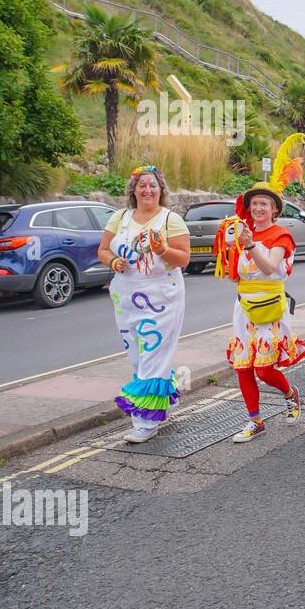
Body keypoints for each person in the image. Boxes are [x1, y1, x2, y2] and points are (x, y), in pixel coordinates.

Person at [98, 166, 190, 443]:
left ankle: (145, 422)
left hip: (162, 300)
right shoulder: (119, 217)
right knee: (138, 358)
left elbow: (183, 259)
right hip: (125, 299)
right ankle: (165, 393)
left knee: (152, 356)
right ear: (133, 190)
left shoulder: (170, 220)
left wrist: (162, 250)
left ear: (161, 190)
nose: (147, 190)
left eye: (153, 185)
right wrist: (114, 261)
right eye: (142, 185)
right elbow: (102, 249)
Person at [221, 180, 305, 444]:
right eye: (255, 204)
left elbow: (270, 268)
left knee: (264, 370)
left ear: (274, 210)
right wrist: (228, 247)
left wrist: (249, 246)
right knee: (243, 367)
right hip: (244, 308)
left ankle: (290, 393)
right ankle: (255, 421)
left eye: (264, 204)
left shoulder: (281, 236)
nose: (258, 208)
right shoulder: (242, 233)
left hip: (270, 308)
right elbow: (233, 274)